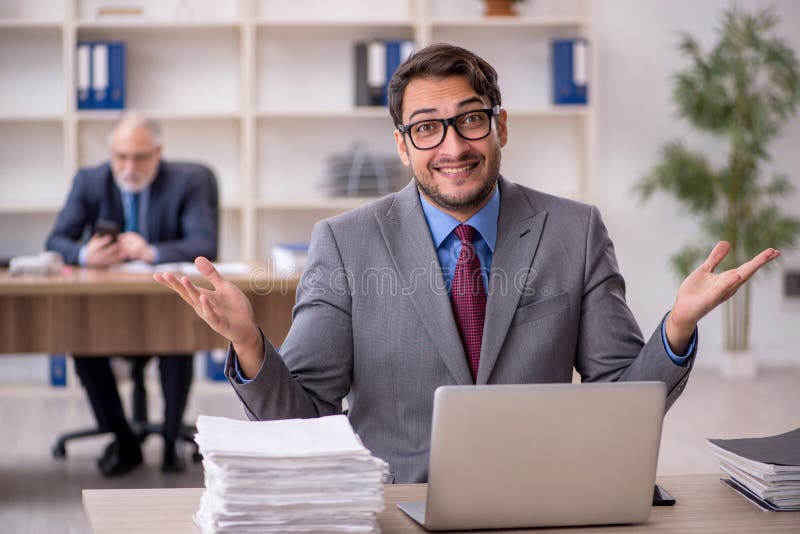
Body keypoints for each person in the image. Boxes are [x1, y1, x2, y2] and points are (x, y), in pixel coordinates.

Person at [155, 44, 779, 484]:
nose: (453, 147)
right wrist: (250, 345)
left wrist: (675, 330)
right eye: (427, 128)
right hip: (397, 502)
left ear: (499, 126)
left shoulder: (574, 230)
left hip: (544, 498)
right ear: (402, 145)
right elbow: (309, 416)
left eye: (470, 121)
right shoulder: (345, 244)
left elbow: (620, 397)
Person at [47, 111, 217, 476]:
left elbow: (205, 243)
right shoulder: (90, 181)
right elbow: (56, 240)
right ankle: (122, 438)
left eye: (140, 157)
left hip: (166, 306)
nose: (129, 166)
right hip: (104, 307)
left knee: (179, 337)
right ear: (110, 154)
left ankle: (171, 440)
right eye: (120, 156)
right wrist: (82, 255)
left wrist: (151, 252)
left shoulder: (187, 182)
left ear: (158, 152)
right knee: (80, 340)